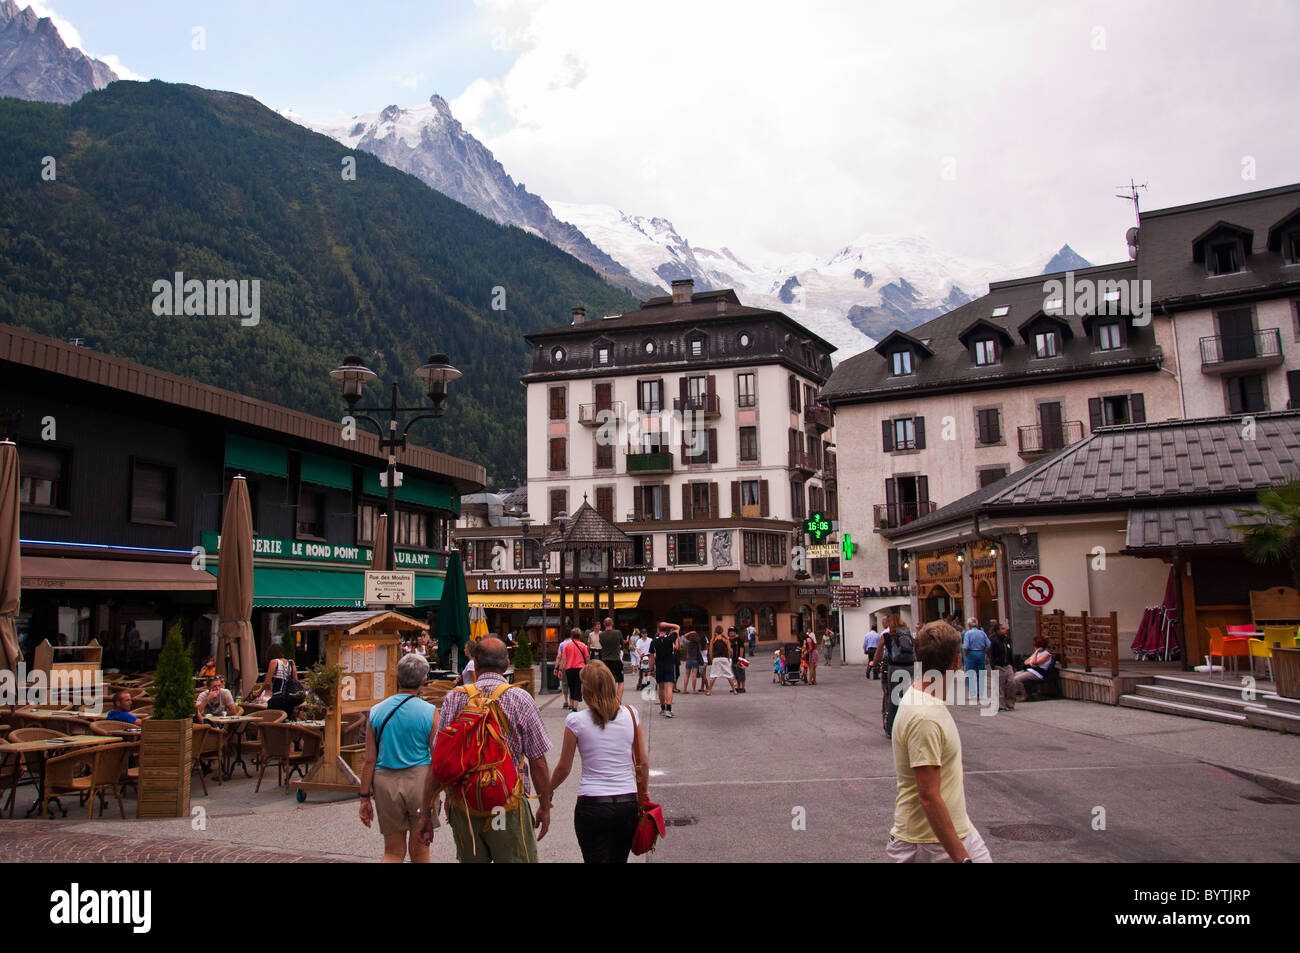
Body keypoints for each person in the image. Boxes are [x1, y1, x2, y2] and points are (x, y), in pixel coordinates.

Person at [423, 638, 553, 863]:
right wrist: (544, 804)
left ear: (475, 662)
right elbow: (537, 761)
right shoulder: (520, 698)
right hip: (504, 804)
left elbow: (438, 759)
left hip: (464, 805)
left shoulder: (455, 697)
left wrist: (425, 811)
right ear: (506, 664)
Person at [886, 620, 993, 863]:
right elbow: (929, 796)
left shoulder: (919, 696)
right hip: (932, 842)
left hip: (952, 830)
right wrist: (961, 858)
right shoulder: (926, 716)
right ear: (957, 662)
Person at [549, 660, 649, 863]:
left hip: (592, 803)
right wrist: (644, 792)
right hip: (626, 802)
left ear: (586, 690)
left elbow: (564, 767)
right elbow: (643, 763)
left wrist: (548, 790)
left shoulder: (575, 721)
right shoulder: (631, 714)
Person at [359, 653, 439, 863]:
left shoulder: (376, 712)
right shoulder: (430, 712)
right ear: (423, 680)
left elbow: (369, 759)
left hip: (385, 781)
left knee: (392, 851)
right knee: (420, 851)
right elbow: (437, 756)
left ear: (397, 677)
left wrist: (364, 796)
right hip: (420, 781)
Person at [877, 614, 914, 738]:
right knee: (907, 697)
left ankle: (891, 728)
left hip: (895, 668)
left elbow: (879, 653)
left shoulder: (886, 636)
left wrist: (873, 663)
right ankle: (908, 726)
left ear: (888, 623)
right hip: (910, 667)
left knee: (894, 698)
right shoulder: (908, 633)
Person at [649, 622, 680, 717]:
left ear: (658, 630)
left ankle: (662, 708)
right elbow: (677, 627)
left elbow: (651, 657)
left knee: (661, 688)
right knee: (669, 687)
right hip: (669, 664)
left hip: (659, 665)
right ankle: (669, 709)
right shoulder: (670, 638)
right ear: (666, 629)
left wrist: (650, 669)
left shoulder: (654, 641)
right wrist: (668, 624)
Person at [263, 644, 299, 720]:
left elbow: (267, 682)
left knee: (271, 720)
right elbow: (296, 682)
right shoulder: (291, 663)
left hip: (277, 698)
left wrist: (258, 693)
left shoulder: (274, 662)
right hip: (289, 699)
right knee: (287, 721)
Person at [1013, 636, 1055, 701]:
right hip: (1031, 670)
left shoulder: (1046, 655)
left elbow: (1035, 662)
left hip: (1038, 673)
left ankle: (1024, 695)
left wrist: (1036, 652)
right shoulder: (1038, 653)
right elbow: (1026, 662)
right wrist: (1031, 662)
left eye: (1036, 646)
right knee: (1014, 675)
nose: (1035, 648)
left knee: (1016, 679)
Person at [961, 617, 991, 702]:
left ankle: (972, 693)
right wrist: (986, 654)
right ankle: (980, 693)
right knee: (980, 674)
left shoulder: (968, 633)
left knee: (969, 674)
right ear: (977, 625)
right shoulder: (982, 633)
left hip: (971, 653)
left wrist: (967, 656)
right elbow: (989, 645)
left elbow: (966, 647)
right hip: (981, 653)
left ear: (968, 625)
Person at [988, 622, 1016, 711]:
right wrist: (993, 666)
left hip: (1007, 665)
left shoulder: (1007, 640)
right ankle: (1001, 705)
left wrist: (1013, 665)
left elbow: (1010, 653)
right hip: (998, 666)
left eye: (1005, 628)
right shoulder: (994, 641)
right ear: (997, 631)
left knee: (1012, 683)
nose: (1005, 630)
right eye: (1002, 629)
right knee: (1000, 686)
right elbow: (991, 654)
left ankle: (1010, 702)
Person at [560, 626, 590, 711]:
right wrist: (589, 667)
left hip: (569, 668)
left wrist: (560, 669)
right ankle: (575, 706)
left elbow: (563, 658)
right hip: (580, 668)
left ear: (572, 635)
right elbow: (587, 658)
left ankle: (572, 704)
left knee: (571, 686)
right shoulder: (583, 645)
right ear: (579, 635)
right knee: (578, 686)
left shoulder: (567, 646)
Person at [599, 617, 626, 702]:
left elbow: (602, 645)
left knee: (607, 682)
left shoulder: (601, 635)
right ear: (612, 624)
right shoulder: (618, 633)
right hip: (616, 659)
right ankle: (618, 701)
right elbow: (622, 644)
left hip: (605, 660)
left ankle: (609, 700)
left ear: (604, 625)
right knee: (620, 681)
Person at [706, 626, 737, 695]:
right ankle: (734, 690)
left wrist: (711, 659)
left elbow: (710, 650)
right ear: (722, 631)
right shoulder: (726, 639)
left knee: (713, 675)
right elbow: (729, 650)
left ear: (715, 631)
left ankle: (709, 691)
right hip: (724, 658)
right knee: (729, 675)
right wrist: (728, 658)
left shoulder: (713, 639)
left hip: (716, 658)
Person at [680, 630, 704, 694]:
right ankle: (694, 690)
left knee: (687, 675)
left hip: (688, 660)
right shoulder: (697, 644)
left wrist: (690, 632)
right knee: (694, 675)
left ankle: (684, 689)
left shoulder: (688, 643)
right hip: (695, 660)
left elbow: (682, 637)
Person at [555, 630, 573, 708]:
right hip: (573, 665)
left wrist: (556, 667)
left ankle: (566, 701)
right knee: (572, 684)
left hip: (564, 666)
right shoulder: (573, 643)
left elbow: (559, 656)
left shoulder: (562, 644)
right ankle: (572, 702)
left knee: (565, 683)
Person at [729, 625, 747, 693]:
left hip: (739, 659)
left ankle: (743, 687)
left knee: (741, 673)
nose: (730, 633)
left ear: (735, 632)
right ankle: (738, 687)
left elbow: (741, 649)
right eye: (729, 632)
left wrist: (740, 659)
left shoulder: (739, 639)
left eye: (731, 632)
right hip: (734, 659)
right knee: (736, 674)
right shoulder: (732, 640)